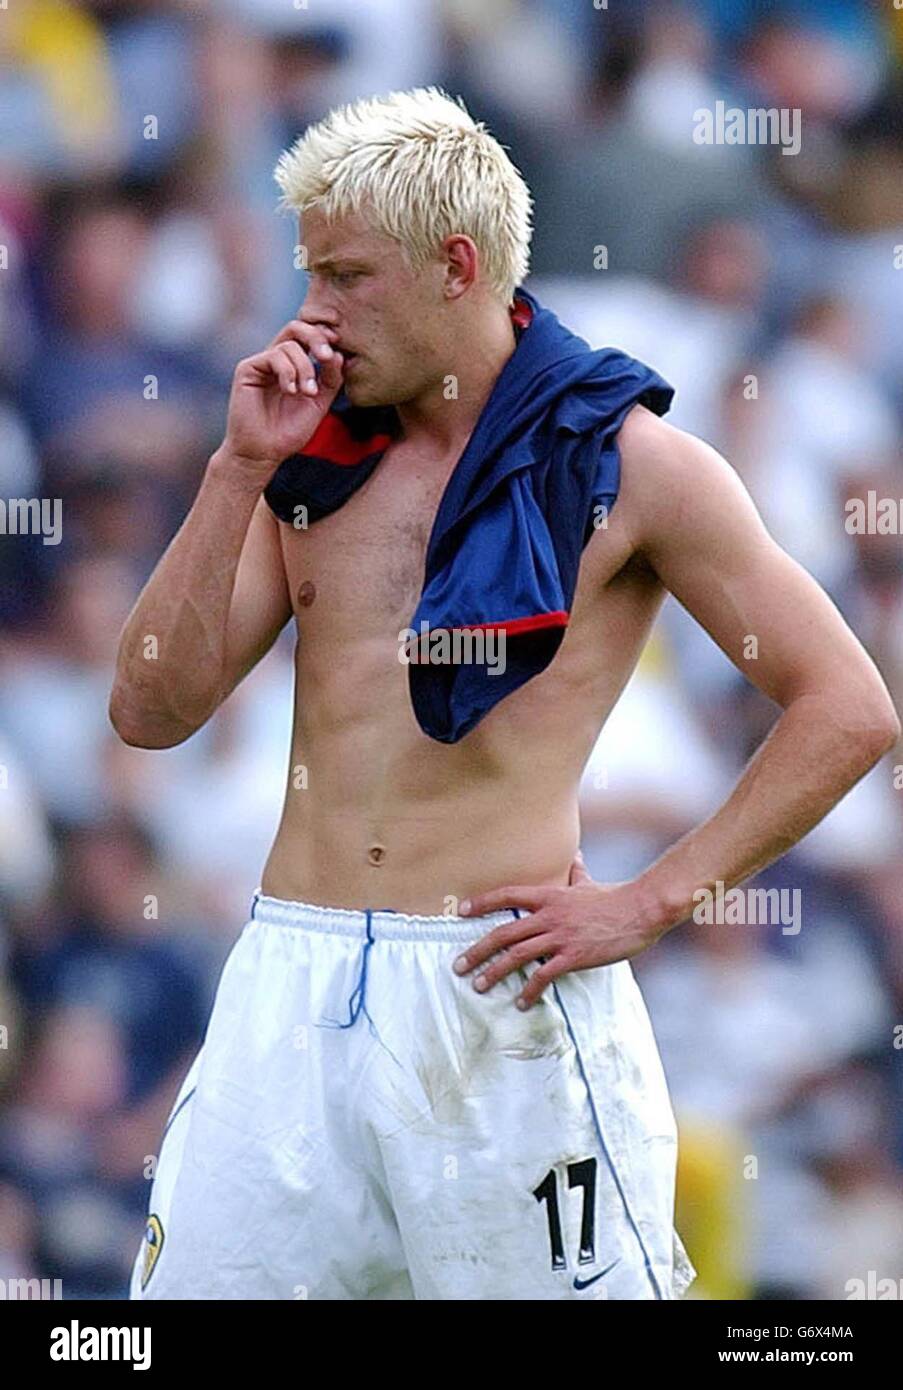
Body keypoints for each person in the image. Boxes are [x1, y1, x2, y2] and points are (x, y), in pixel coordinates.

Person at [110, 88, 900, 1301]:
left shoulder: (635, 464)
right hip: (287, 980)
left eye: (346, 275)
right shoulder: (307, 455)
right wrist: (236, 469)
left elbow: (849, 707)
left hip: (501, 993)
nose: (313, 311)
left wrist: (649, 903)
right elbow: (150, 713)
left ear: (456, 266)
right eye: (309, 271)